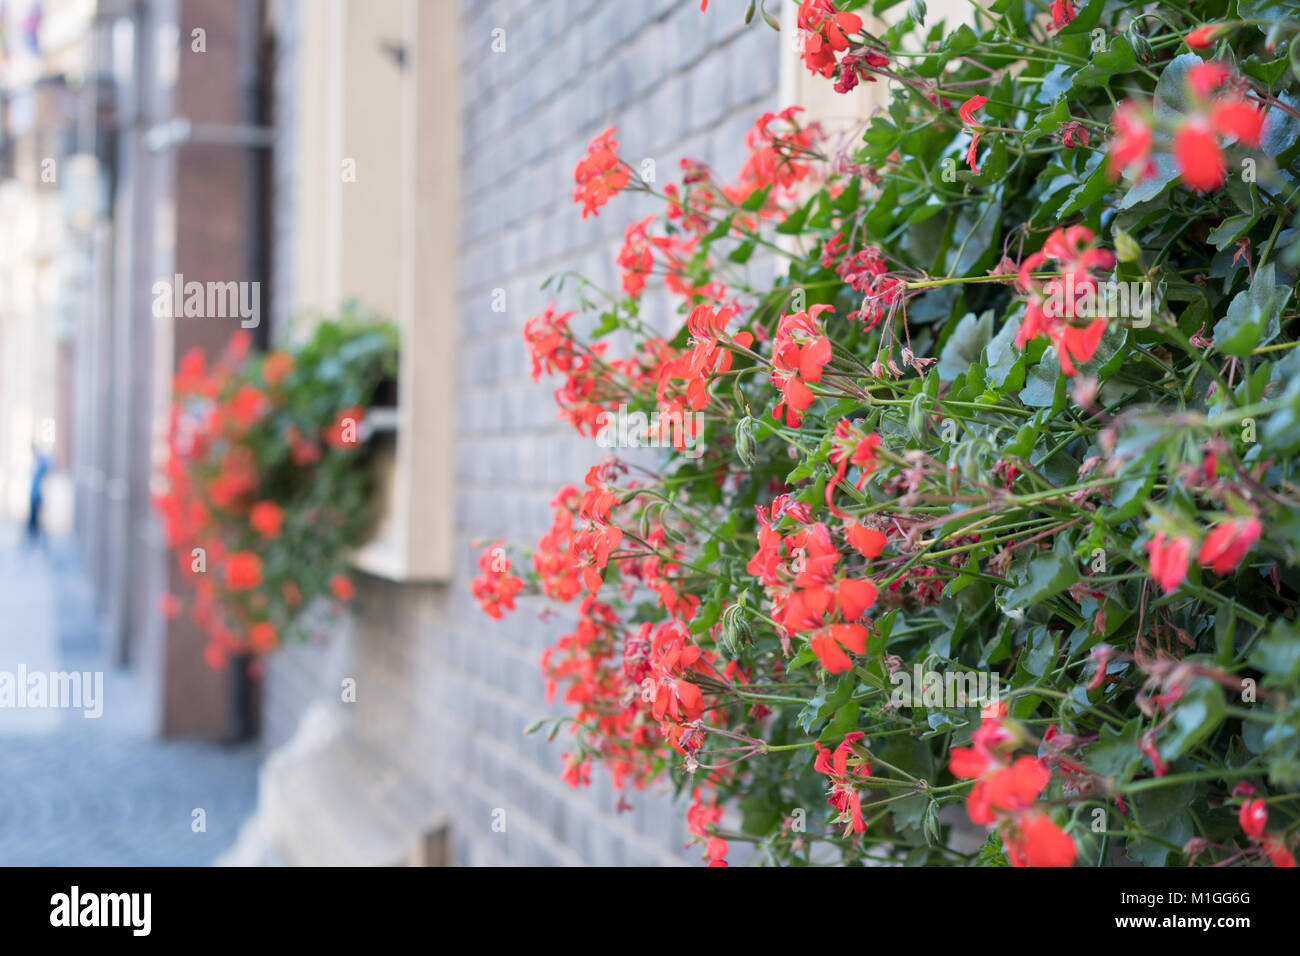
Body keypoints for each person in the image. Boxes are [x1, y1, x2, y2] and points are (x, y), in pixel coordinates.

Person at [26, 443, 49, 550]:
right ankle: (33, 540)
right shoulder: (37, 463)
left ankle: (36, 541)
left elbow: (47, 466)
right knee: (33, 520)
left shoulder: (41, 462)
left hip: (36, 496)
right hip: (34, 496)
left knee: (35, 520)